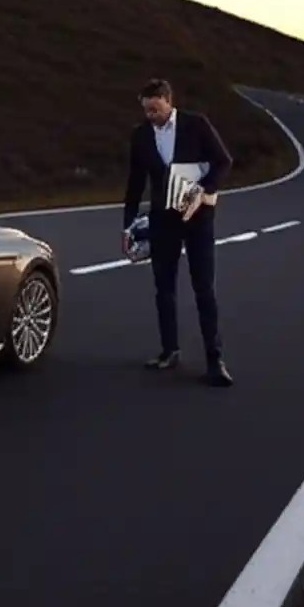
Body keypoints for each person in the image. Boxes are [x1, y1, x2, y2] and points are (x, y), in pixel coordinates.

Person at [121, 79, 234, 386]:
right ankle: (169, 350)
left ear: (168, 101)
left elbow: (223, 161)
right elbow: (134, 182)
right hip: (162, 219)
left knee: (203, 288)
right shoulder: (141, 135)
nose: (151, 115)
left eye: (155, 109)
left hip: (198, 216)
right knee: (164, 287)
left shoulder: (196, 125)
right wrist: (128, 225)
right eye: (146, 110)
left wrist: (205, 190)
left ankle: (215, 359)